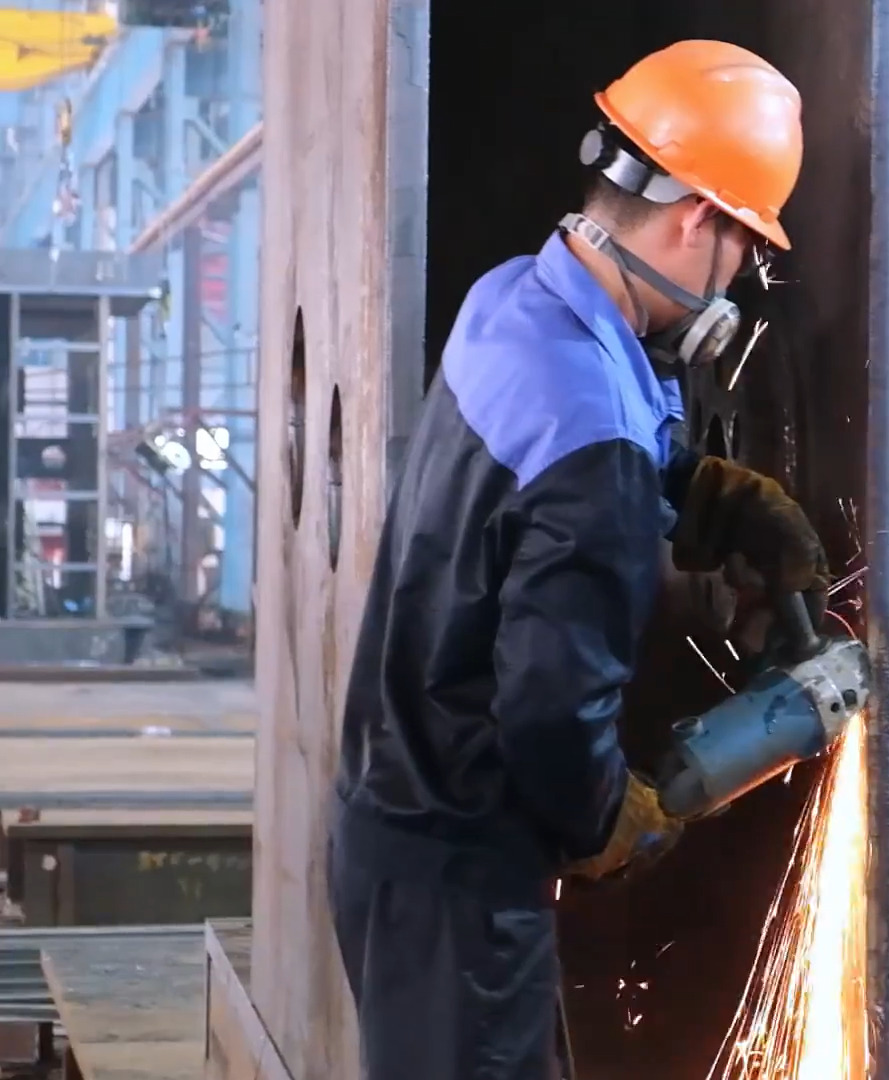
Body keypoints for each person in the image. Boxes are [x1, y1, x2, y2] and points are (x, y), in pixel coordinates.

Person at [327, 41, 827, 1080]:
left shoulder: (516, 303)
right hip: (465, 878)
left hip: (399, 832)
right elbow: (552, 708)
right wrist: (612, 815)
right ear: (696, 219)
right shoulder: (595, 444)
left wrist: (708, 493)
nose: (737, 280)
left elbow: (555, 471)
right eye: (744, 249)